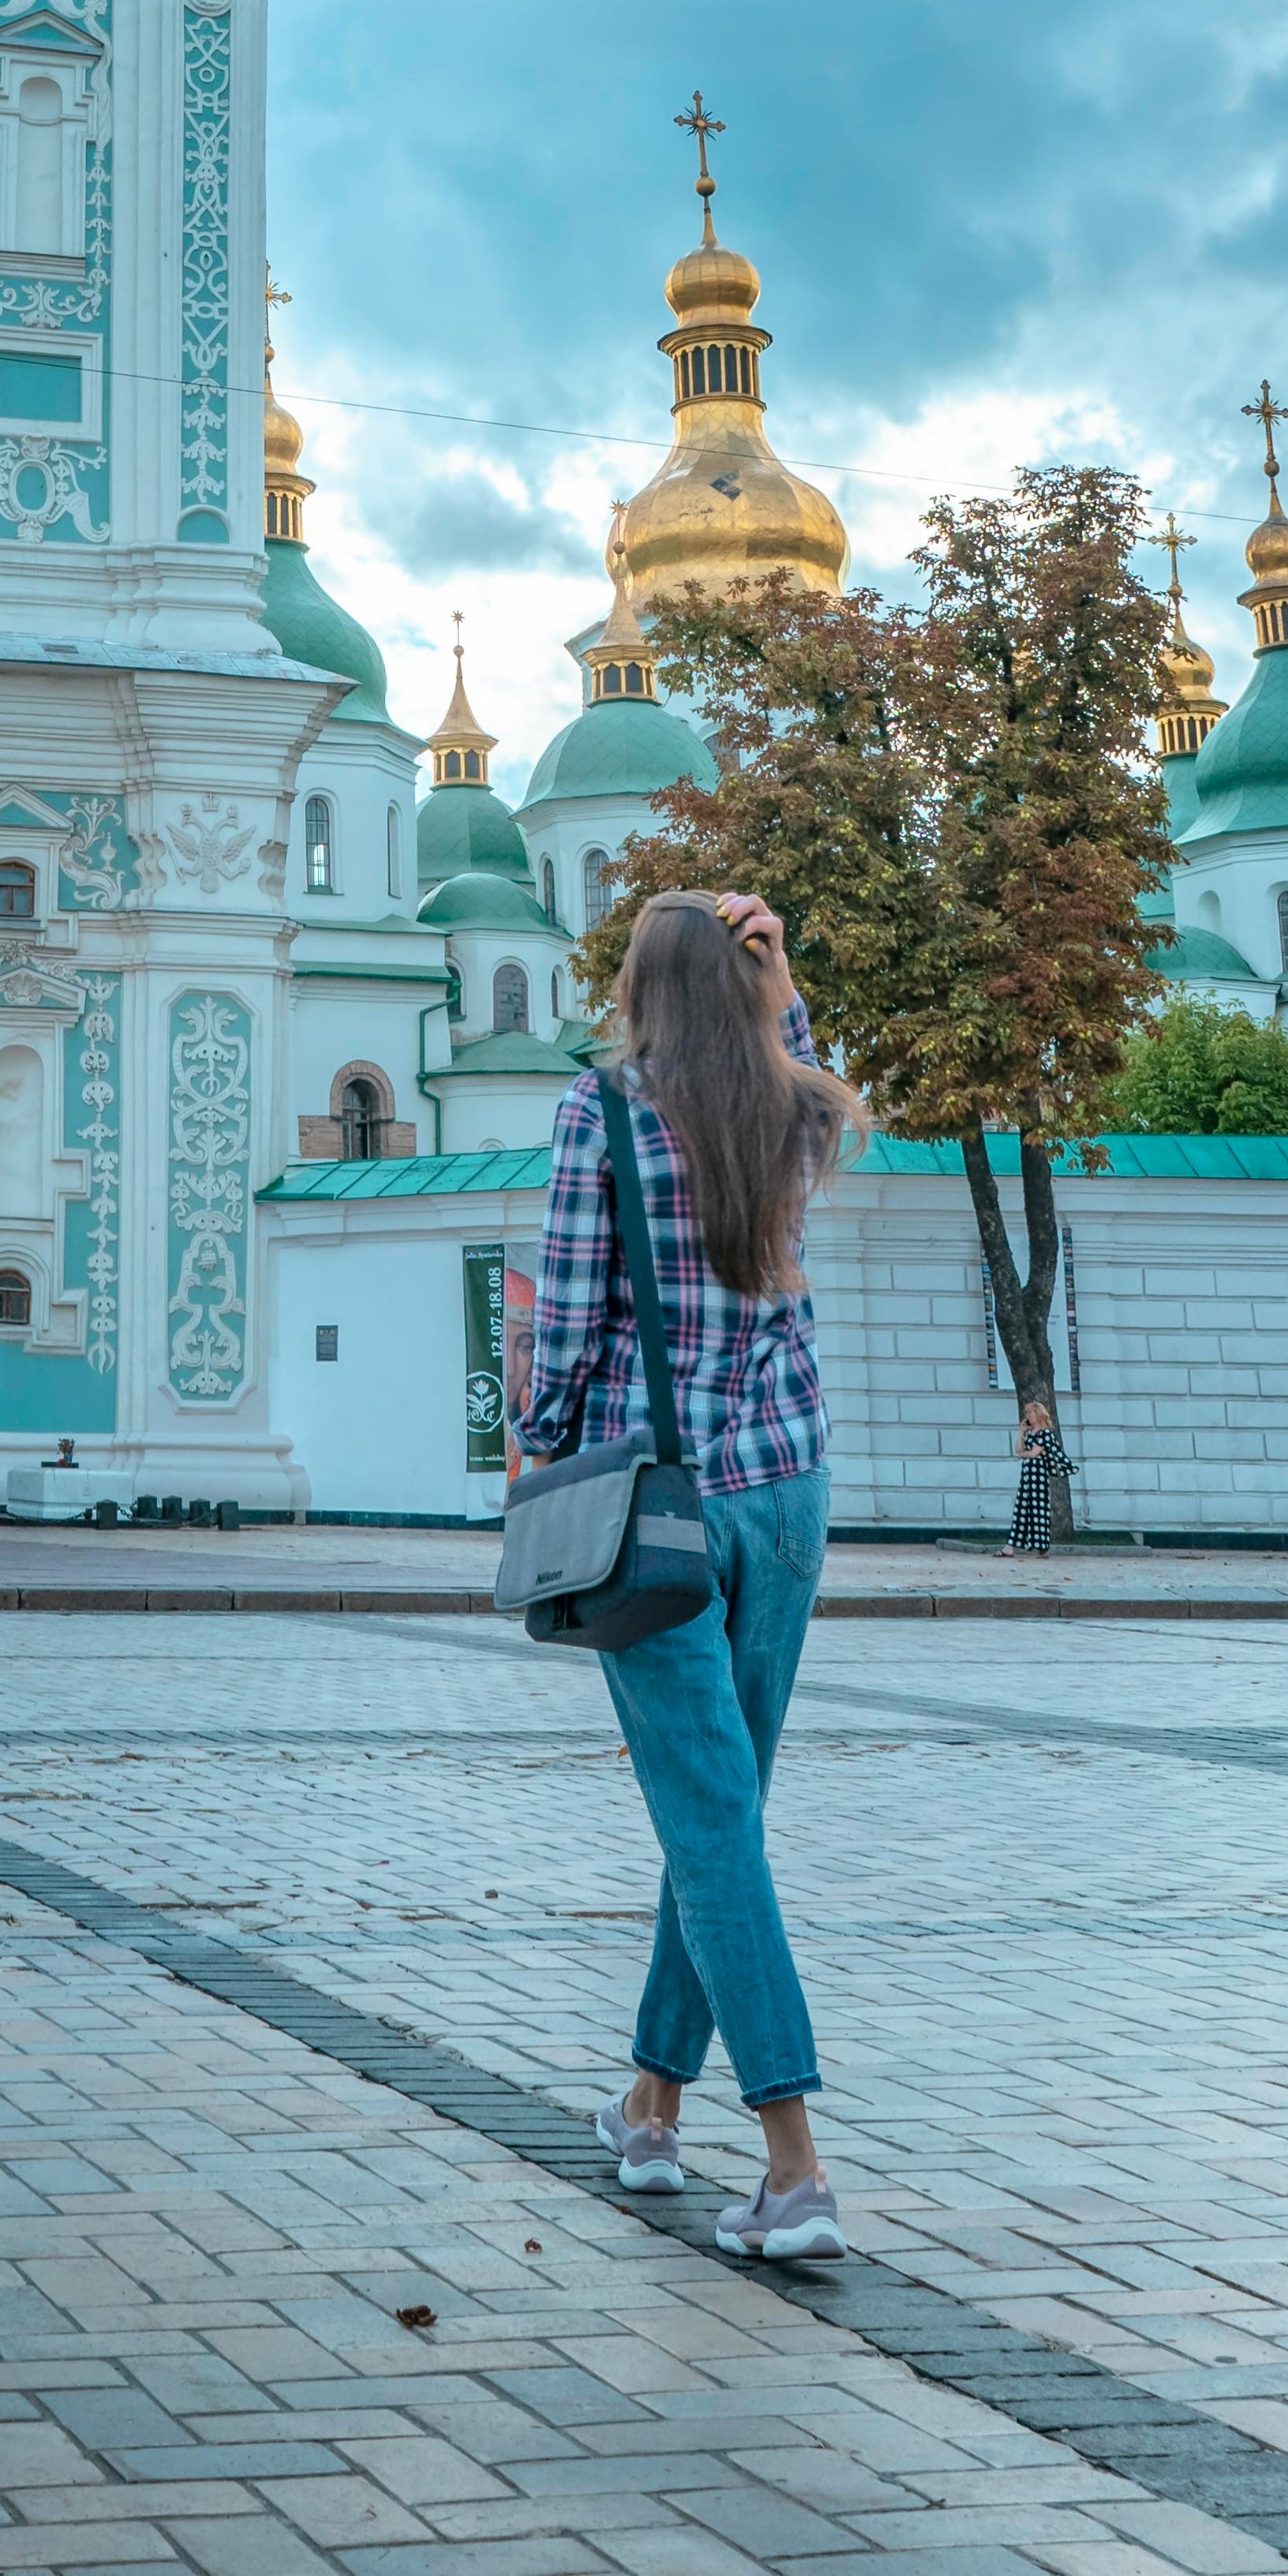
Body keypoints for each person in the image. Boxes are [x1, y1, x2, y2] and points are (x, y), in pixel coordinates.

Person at [516, 885, 870, 2264]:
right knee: (722, 1813)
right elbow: (806, 1064)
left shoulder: (596, 1118)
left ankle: (794, 2170)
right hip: (787, 1492)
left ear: (637, 990)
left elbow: (566, 1313)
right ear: (742, 985)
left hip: (653, 1509)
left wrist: (540, 1451)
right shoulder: (796, 1109)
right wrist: (781, 974)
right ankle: (650, 2111)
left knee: (715, 1825)